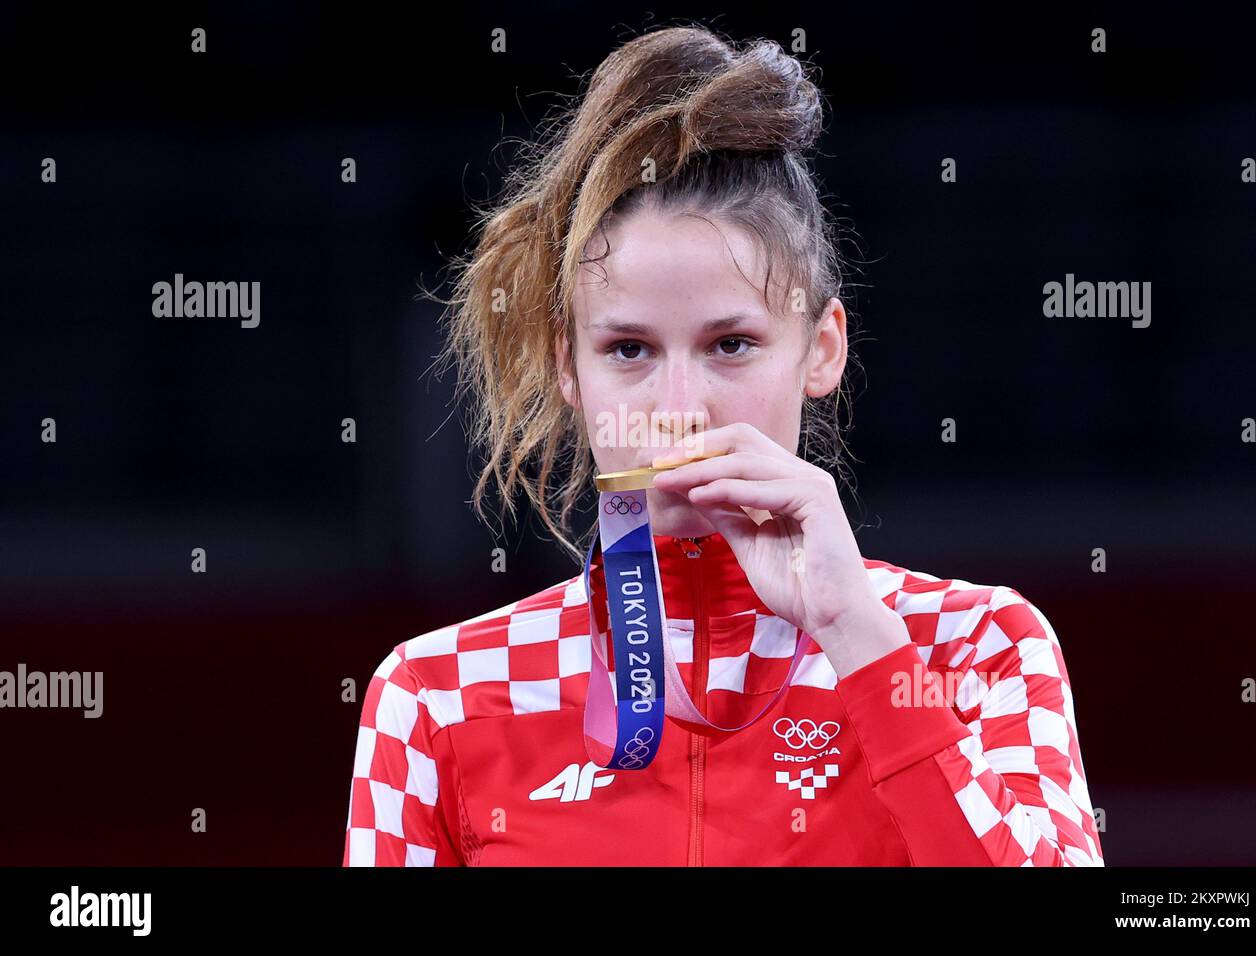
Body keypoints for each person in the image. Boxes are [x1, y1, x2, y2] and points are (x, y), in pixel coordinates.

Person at [341, 24, 1104, 866]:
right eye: (628, 350)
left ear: (822, 349)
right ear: (568, 365)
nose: (677, 409)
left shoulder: (975, 649)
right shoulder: (437, 700)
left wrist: (856, 634)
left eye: (730, 345)